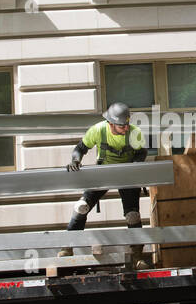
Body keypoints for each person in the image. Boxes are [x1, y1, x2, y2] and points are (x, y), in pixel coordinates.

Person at [61, 102, 148, 265]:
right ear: (111, 124)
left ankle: (137, 255)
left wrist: (135, 166)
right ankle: (68, 246)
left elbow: (142, 152)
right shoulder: (98, 130)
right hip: (104, 172)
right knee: (81, 207)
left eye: (127, 124)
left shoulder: (134, 133)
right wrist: (75, 160)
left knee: (132, 215)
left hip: (126, 174)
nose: (126, 128)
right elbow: (80, 148)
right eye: (122, 126)